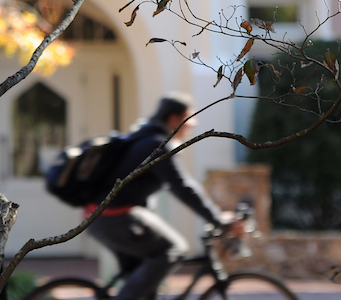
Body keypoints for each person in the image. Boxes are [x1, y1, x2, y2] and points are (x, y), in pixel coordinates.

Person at [85, 94, 236, 300]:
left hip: (101, 216)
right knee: (174, 248)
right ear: (174, 119)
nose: (190, 127)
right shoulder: (157, 145)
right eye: (189, 121)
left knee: (147, 288)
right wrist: (217, 219)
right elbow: (183, 187)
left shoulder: (143, 136)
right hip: (114, 217)